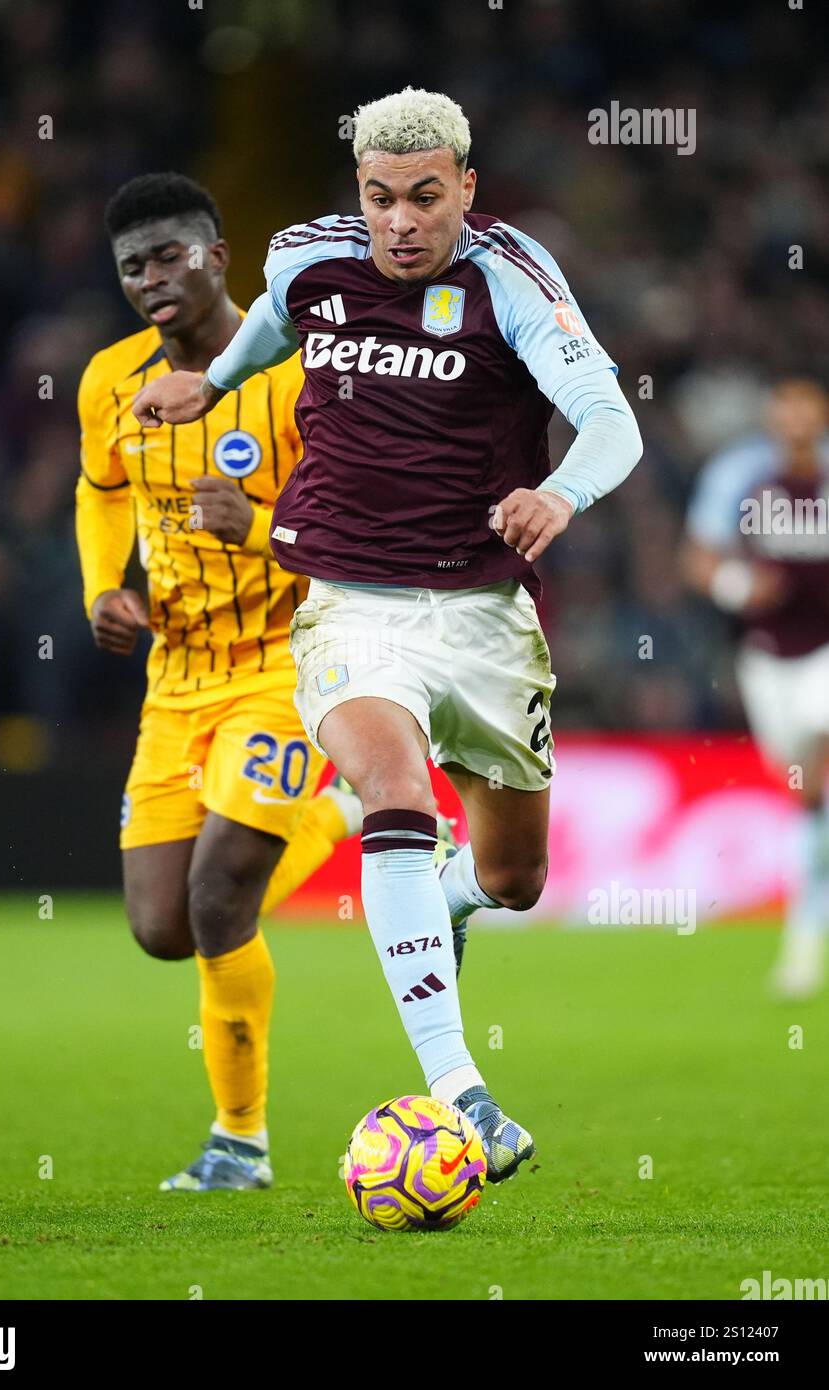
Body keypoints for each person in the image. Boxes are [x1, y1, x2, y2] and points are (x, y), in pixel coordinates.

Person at [130, 90, 643, 1181]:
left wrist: (558, 496)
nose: (400, 221)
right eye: (379, 198)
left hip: (484, 618)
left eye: (423, 197)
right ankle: (463, 1096)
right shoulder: (309, 261)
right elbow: (276, 317)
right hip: (348, 606)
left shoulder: (509, 278)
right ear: (355, 191)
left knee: (512, 880)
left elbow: (612, 421)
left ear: (465, 185)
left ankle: (452, 900)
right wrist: (212, 381)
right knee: (394, 799)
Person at [76, 173, 361, 1191]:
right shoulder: (109, 379)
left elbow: (364, 537)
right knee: (164, 926)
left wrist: (263, 527)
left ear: (217, 255)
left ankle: (238, 1142)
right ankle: (331, 824)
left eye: (167, 256)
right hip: (175, 678)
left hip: (287, 662)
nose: (149, 279)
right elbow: (98, 491)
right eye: (130, 266)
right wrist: (99, 589)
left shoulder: (299, 377)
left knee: (218, 897)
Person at [684, 378, 829, 999]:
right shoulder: (738, 473)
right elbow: (700, 557)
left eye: (808, 406)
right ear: (773, 416)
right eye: (787, 406)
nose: (797, 418)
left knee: (818, 773)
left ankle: (803, 943)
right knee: (801, 789)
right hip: (766, 658)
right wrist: (740, 588)